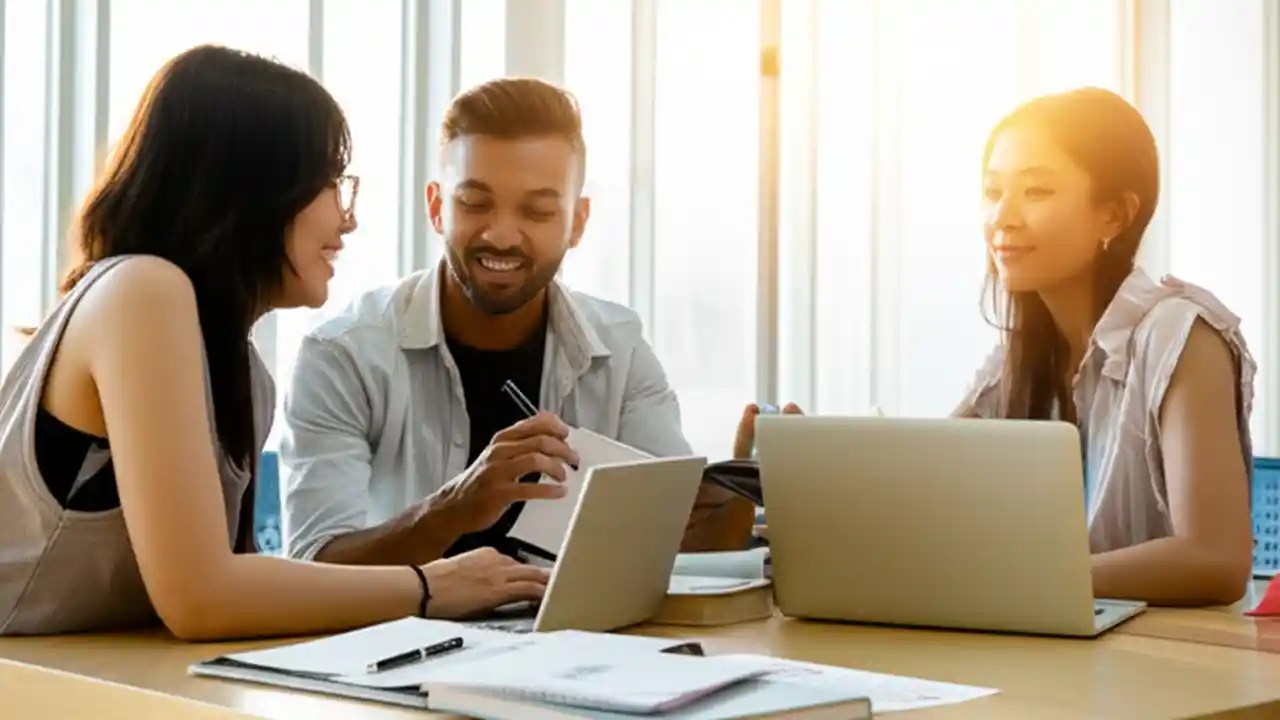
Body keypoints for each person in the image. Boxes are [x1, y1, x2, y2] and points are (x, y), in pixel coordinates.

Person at [0, 45, 547, 639]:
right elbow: (203, 599)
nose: (348, 220)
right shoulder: (142, 290)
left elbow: (228, 592)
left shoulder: (242, 366)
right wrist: (431, 585)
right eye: (331, 184)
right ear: (254, 188)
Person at [736, 88, 1254, 606]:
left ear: (1114, 216)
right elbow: (919, 497)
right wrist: (802, 488)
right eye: (992, 191)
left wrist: (1018, 580)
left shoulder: (1181, 336)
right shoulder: (1016, 362)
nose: (1002, 217)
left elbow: (1214, 561)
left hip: (1171, 663)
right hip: (1063, 651)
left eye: (1036, 191)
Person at [280, 77, 753, 567]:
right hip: (404, 641)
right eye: (475, 203)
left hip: (576, 639)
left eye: (538, 211)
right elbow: (314, 566)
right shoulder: (344, 354)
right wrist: (453, 510)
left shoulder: (621, 350)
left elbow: (673, 551)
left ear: (577, 223)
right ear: (438, 208)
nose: (502, 235)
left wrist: (747, 487)